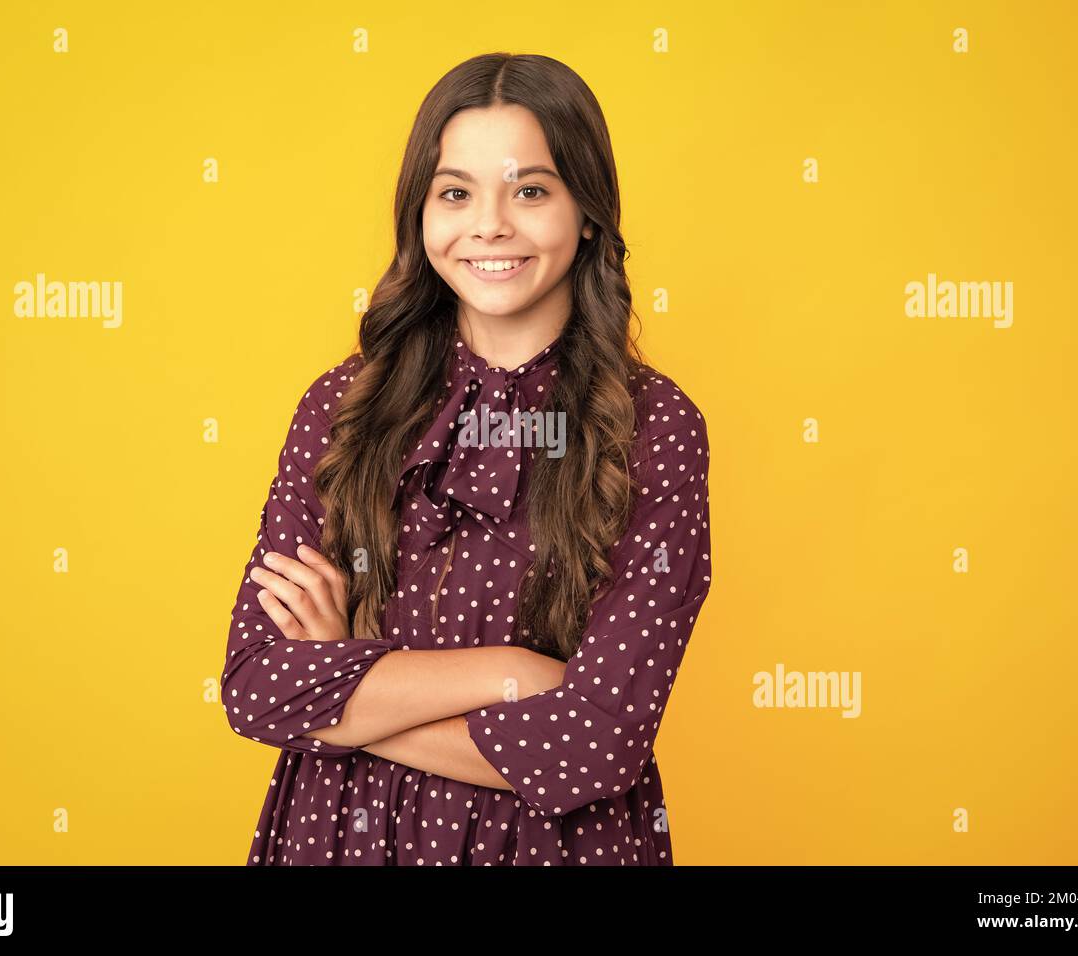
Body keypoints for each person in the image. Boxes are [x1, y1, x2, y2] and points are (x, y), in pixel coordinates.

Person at [220, 51, 712, 865]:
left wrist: (344, 684)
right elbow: (258, 686)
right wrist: (517, 671)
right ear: (421, 212)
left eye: (529, 190)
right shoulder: (341, 409)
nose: (489, 225)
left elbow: (597, 741)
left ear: (586, 211)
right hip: (339, 837)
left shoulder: (656, 426)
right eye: (456, 192)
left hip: (552, 847)